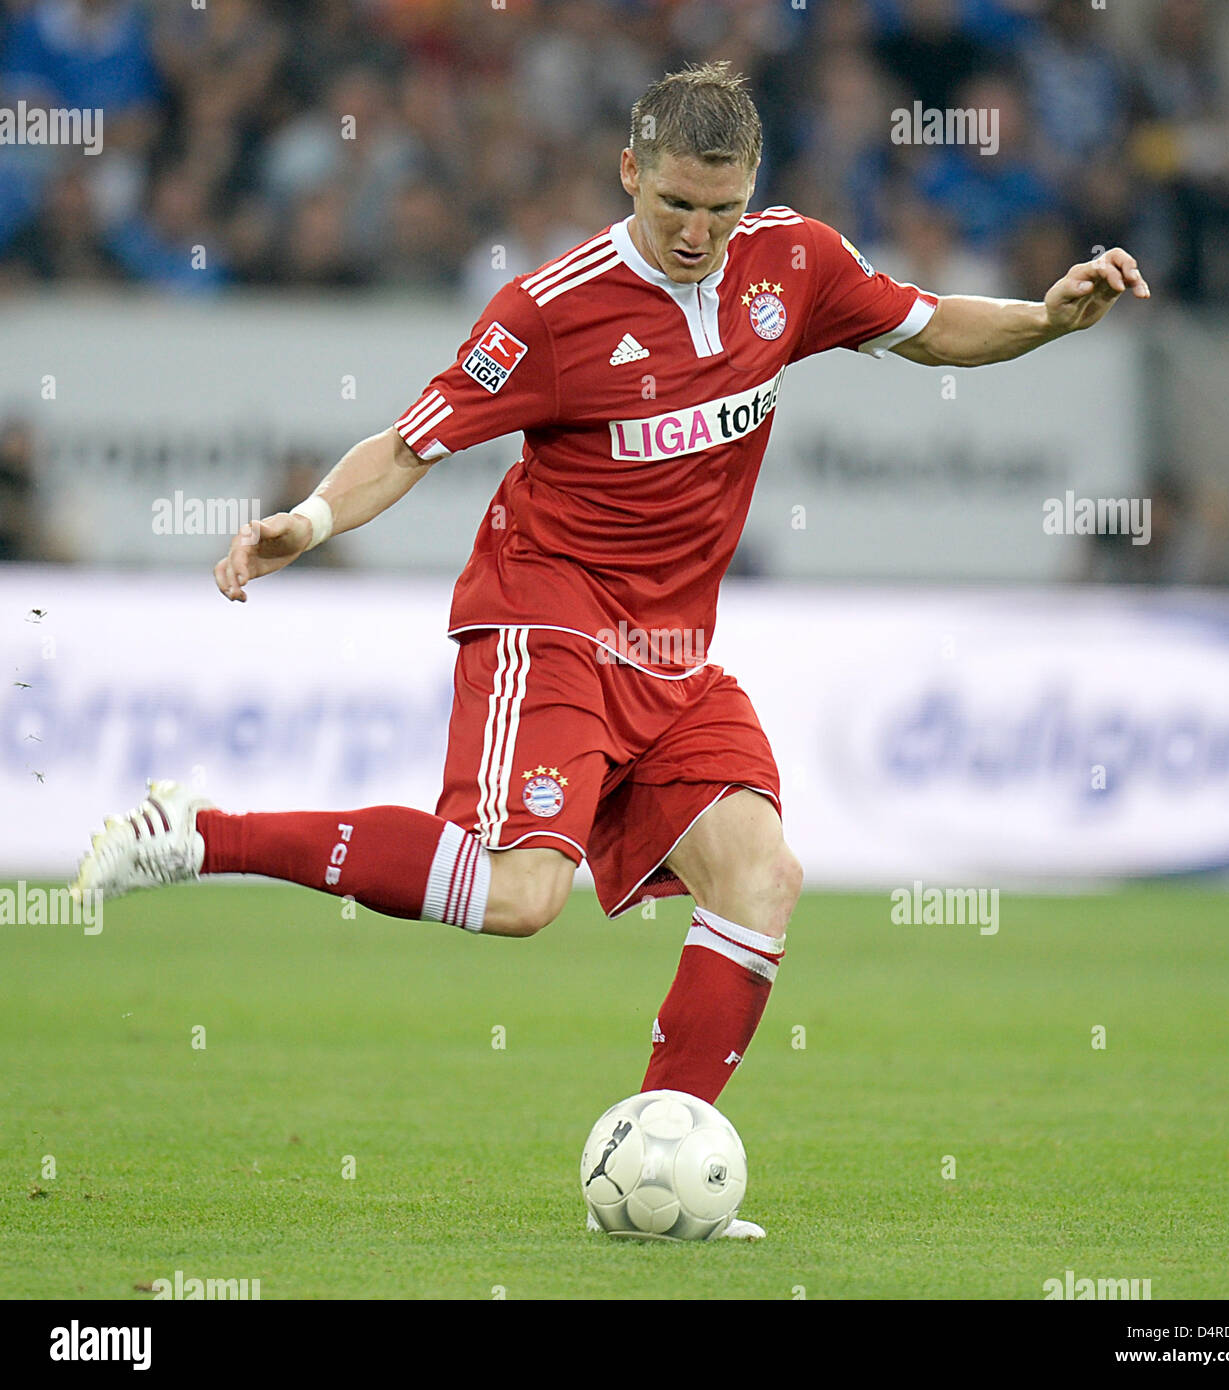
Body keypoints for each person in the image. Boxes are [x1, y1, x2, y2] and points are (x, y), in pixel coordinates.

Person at [73, 61, 1148, 1238]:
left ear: (752, 191)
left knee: (761, 875)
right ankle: (196, 834)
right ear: (630, 172)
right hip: (552, 619)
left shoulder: (795, 262)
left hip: (678, 651)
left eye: (720, 208)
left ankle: (660, 1159)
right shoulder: (549, 311)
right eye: (674, 204)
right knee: (520, 896)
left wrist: (1046, 319)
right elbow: (409, 441)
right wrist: (311, 523)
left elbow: (933, 329)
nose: (696, 233)